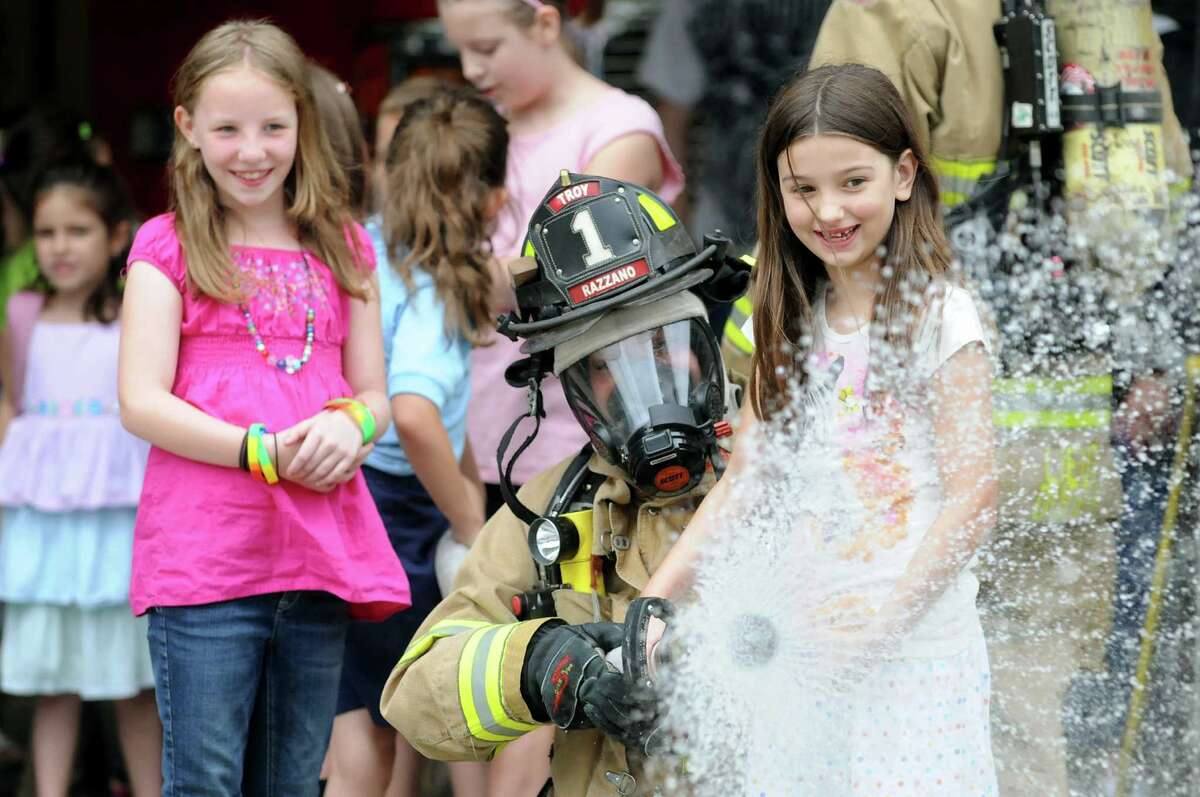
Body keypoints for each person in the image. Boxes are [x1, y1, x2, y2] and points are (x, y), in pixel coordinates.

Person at [805, 2, 1192, 792]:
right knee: (1040, 687)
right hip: (1076, 441)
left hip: (928, 452)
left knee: (914, 706)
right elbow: (1164, 191)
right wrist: (1154, 363)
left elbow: (825, 195)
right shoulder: (1102, 14)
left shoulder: (899, 10)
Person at [642, 63, 1000, 793]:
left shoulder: (941, 316)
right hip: (801, 655)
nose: (828, 210)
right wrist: (654, 600)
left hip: (916, 659)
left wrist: (875, 632)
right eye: (803, 188)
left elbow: (975, 497)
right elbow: (744, 480)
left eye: (852, 182)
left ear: (903, 175)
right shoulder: (788, 323)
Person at [380, 171, 746, 796]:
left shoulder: (777, 477)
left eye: (663, 341)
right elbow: (415, 694)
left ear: (705, 345)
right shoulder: (552, 508)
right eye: (605, 365)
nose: (646, 383)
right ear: (574, 395)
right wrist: (539, 664)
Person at [117, 20, 410, 794]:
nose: (252, 151)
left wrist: (353, 425)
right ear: (188, 129)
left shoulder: (346, 248)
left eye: (273, 127)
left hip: (315, 557)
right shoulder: (166, 246)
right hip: (205, 562)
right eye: (227, 129)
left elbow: (375, 393)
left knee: (292, 778)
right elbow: (140, 401)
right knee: (207, 778)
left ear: (302, 125)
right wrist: (260, 451)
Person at [437, 1, 683, 789]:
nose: (471, 71)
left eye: (486, 47)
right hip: (489, 434)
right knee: (494, 665)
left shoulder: (621, 126)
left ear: (544, 21)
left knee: (563, 670)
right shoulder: (489, 130)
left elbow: (570, 275)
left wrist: (437, 253)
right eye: (460, 52)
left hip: (584, 449)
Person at [324, 87, 499, 797]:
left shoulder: (358, 246)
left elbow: (441, 422)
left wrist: (473, 494)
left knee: (379, 716)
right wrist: (470, 525)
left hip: (341, 495)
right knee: (375, 723)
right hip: (392, 513)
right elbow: (416, 414)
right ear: (493, 198)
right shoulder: (431, 285)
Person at [0, 157, 161, 797]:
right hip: (45, 527)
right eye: (47, 232)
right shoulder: (22, 312)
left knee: (134, 684)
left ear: (118, 235)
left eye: (78, 231)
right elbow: (13, 403)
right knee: (53, 684)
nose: (60, 248)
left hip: (119, 521)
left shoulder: (136, 313)